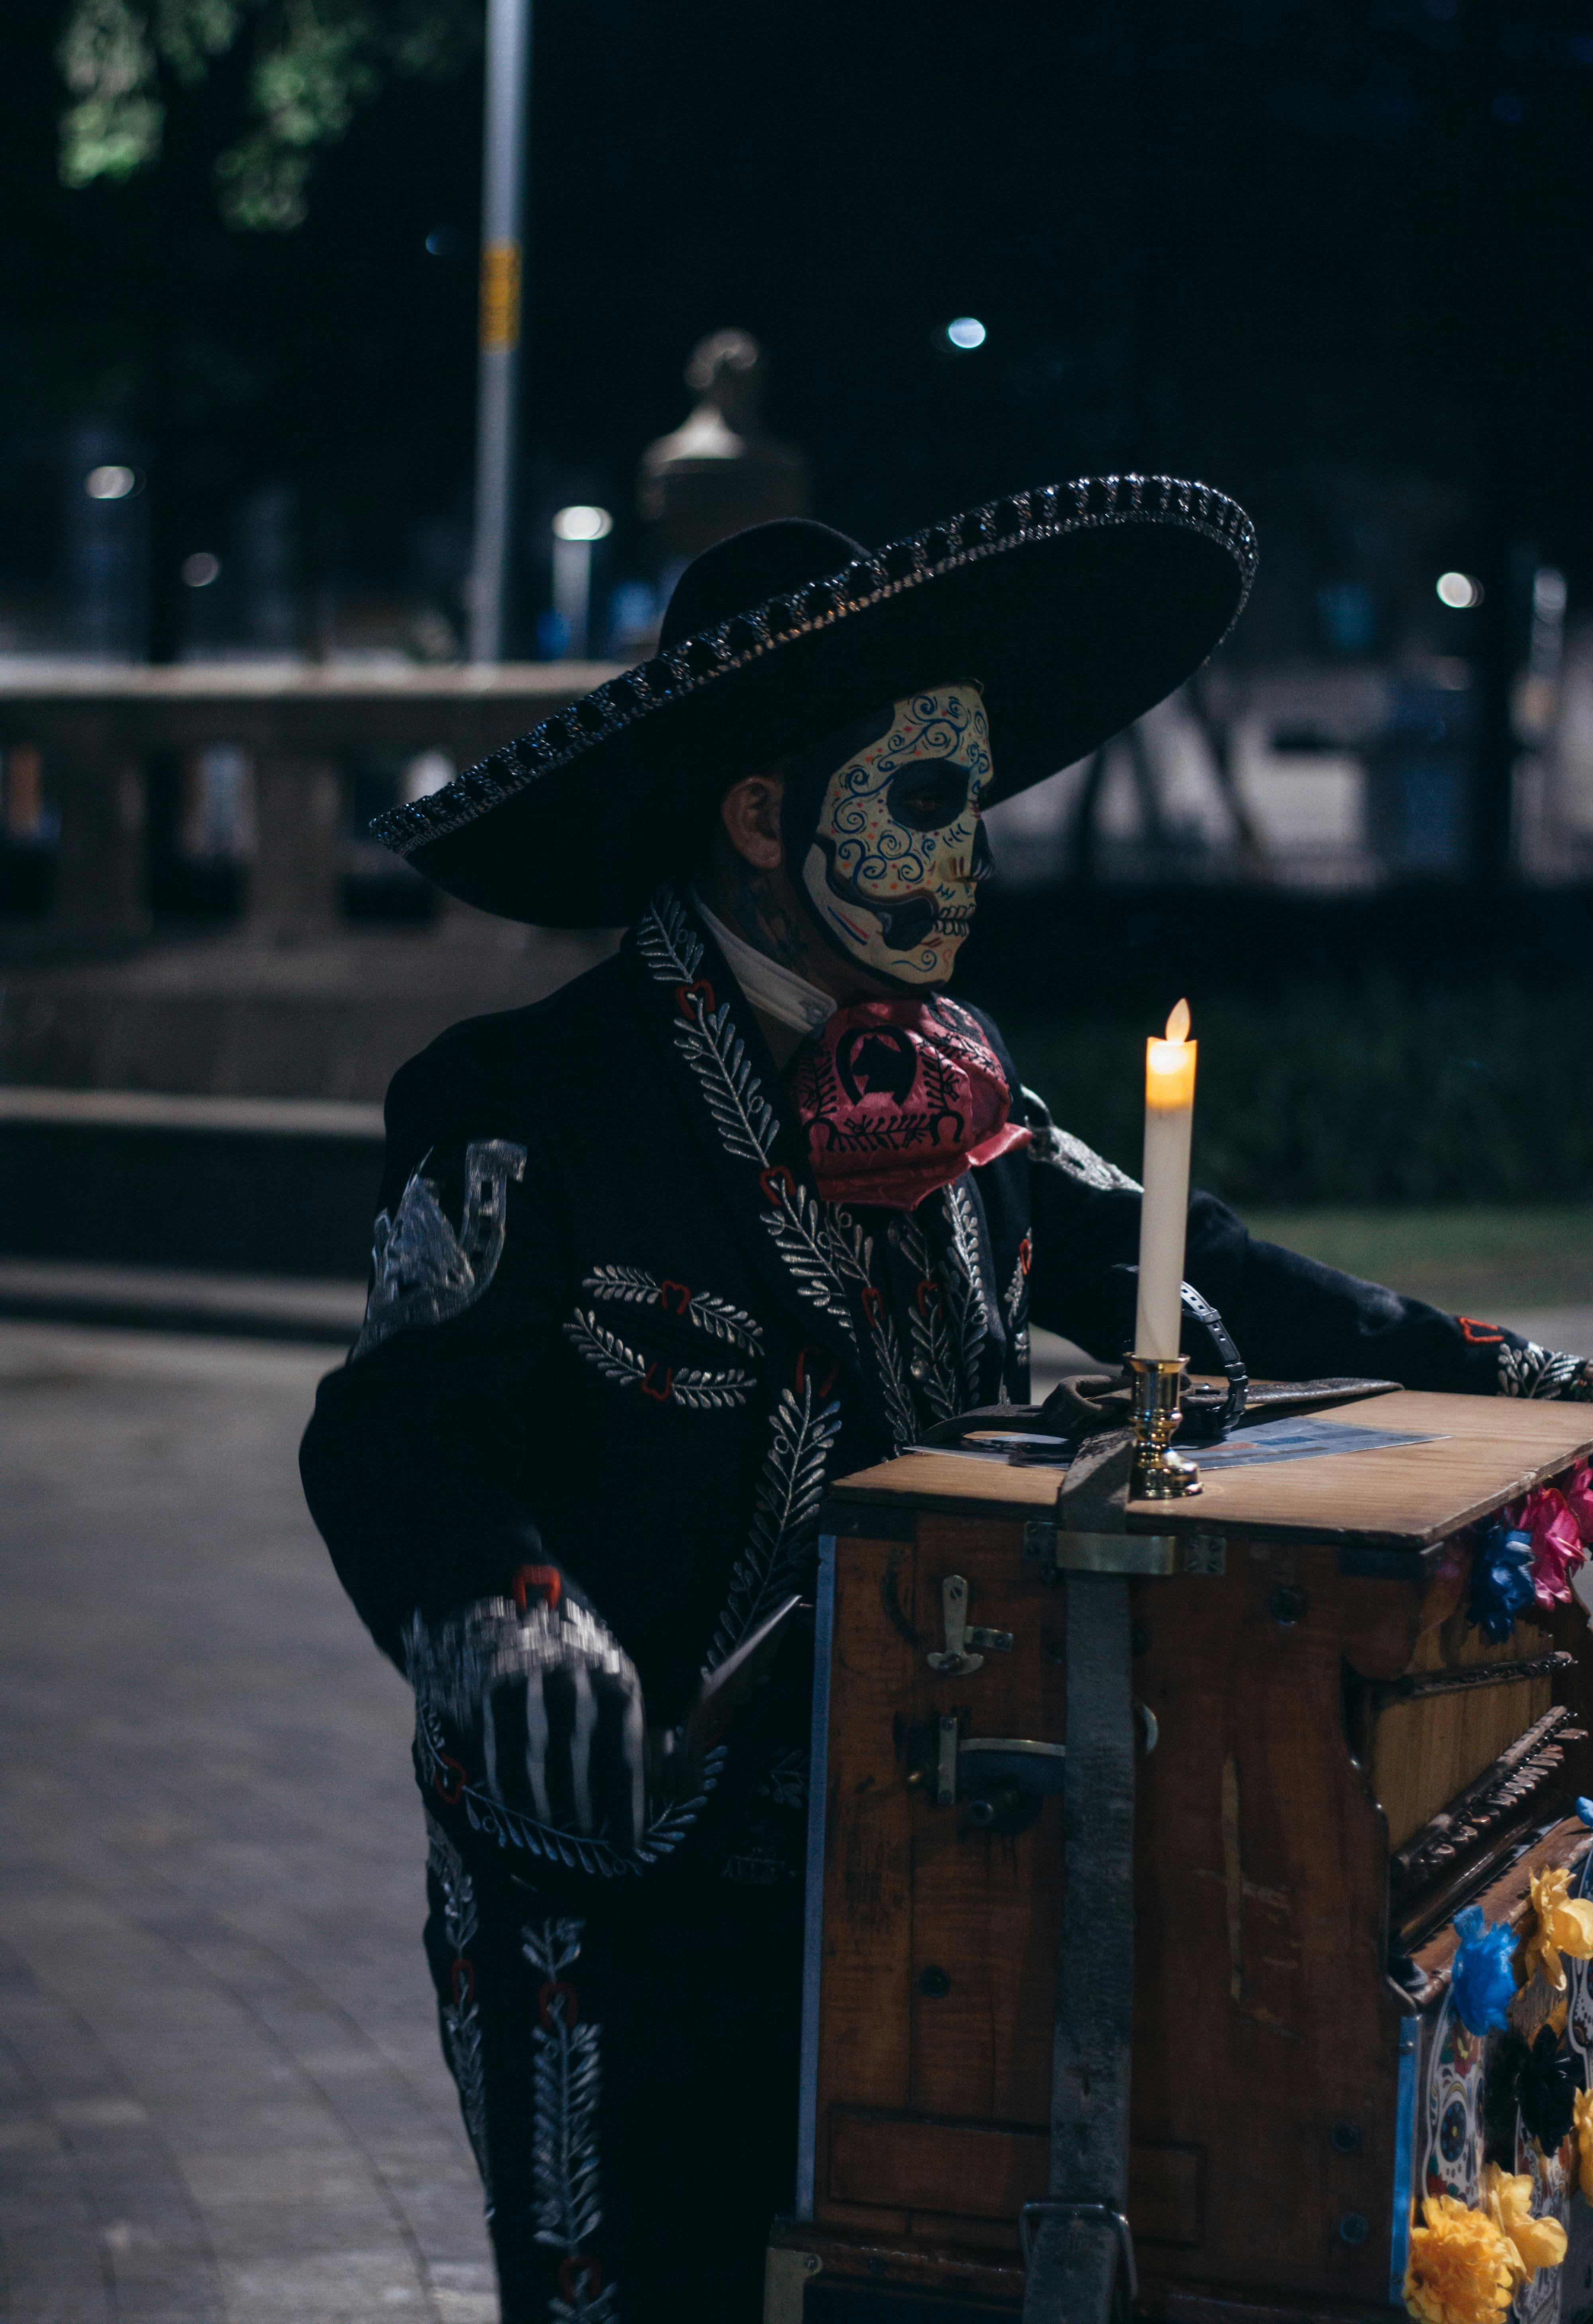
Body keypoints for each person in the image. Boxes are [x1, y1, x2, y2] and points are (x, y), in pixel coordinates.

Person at [299, 485, 1591, 2324]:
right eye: (919, 803)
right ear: (759, 816)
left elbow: (1193, 1259)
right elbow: (393, 1433)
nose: (967, 857)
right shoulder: (531, 1101)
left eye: (974, 806)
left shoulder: (958, 1096)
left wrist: (1516, 1372)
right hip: (625, 1894)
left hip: (930, 1859)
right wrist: (516, 1630)